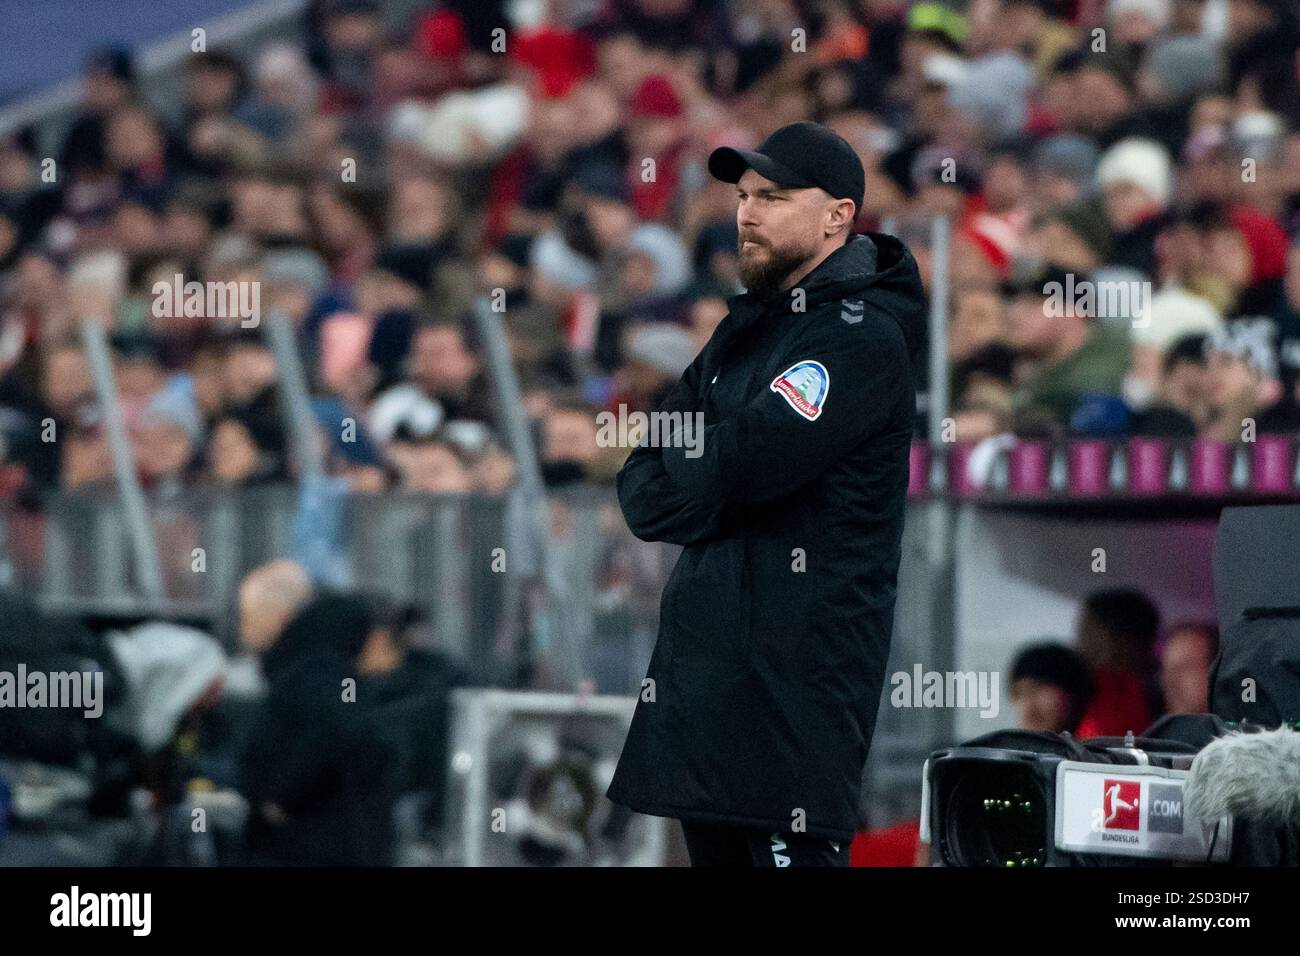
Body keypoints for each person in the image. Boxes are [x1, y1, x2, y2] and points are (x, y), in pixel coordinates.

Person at [605, 122, 926, 867]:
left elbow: (735, 467)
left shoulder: (859, 338)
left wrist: (712, 465)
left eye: (774, 197)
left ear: (837, 217)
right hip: (708, 685)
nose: (747, 212)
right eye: (744, 196)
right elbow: (641, 493)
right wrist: (716, 461)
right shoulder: (740, 332)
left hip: (793, 695)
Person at [236, 562, 396, 865]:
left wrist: (278, 798)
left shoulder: (314, 675)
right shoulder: (331, 676)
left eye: (250, 621)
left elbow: (335, 732)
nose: (246, 634)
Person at [1008, 642, 1095, 734]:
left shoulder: (1102, 743)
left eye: (1037, 690)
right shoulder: (1006, 746)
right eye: (1018, 694)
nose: (1028, 709)